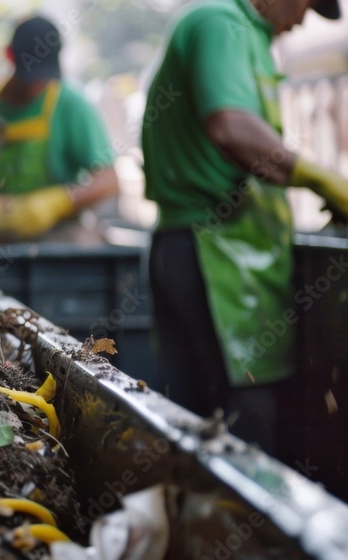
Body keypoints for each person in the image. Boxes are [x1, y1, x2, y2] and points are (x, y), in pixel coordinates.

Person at [142, 0, 347, 450]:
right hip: (211, 251)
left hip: (228, 250)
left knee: (210, 412)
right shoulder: (221, 23)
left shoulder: (252, 37)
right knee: (240, 416)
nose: (301, 22)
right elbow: (231, 126)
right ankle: (231, 518)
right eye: (306, 5)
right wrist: (323, 179)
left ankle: (200, 515)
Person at [0, 16, 118, 241]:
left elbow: (109, 179)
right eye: (30, 76)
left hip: (54, 237)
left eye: (43, 78)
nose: (37, 85)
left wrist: (59, 202)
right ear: (9, 56)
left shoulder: (72, 106)